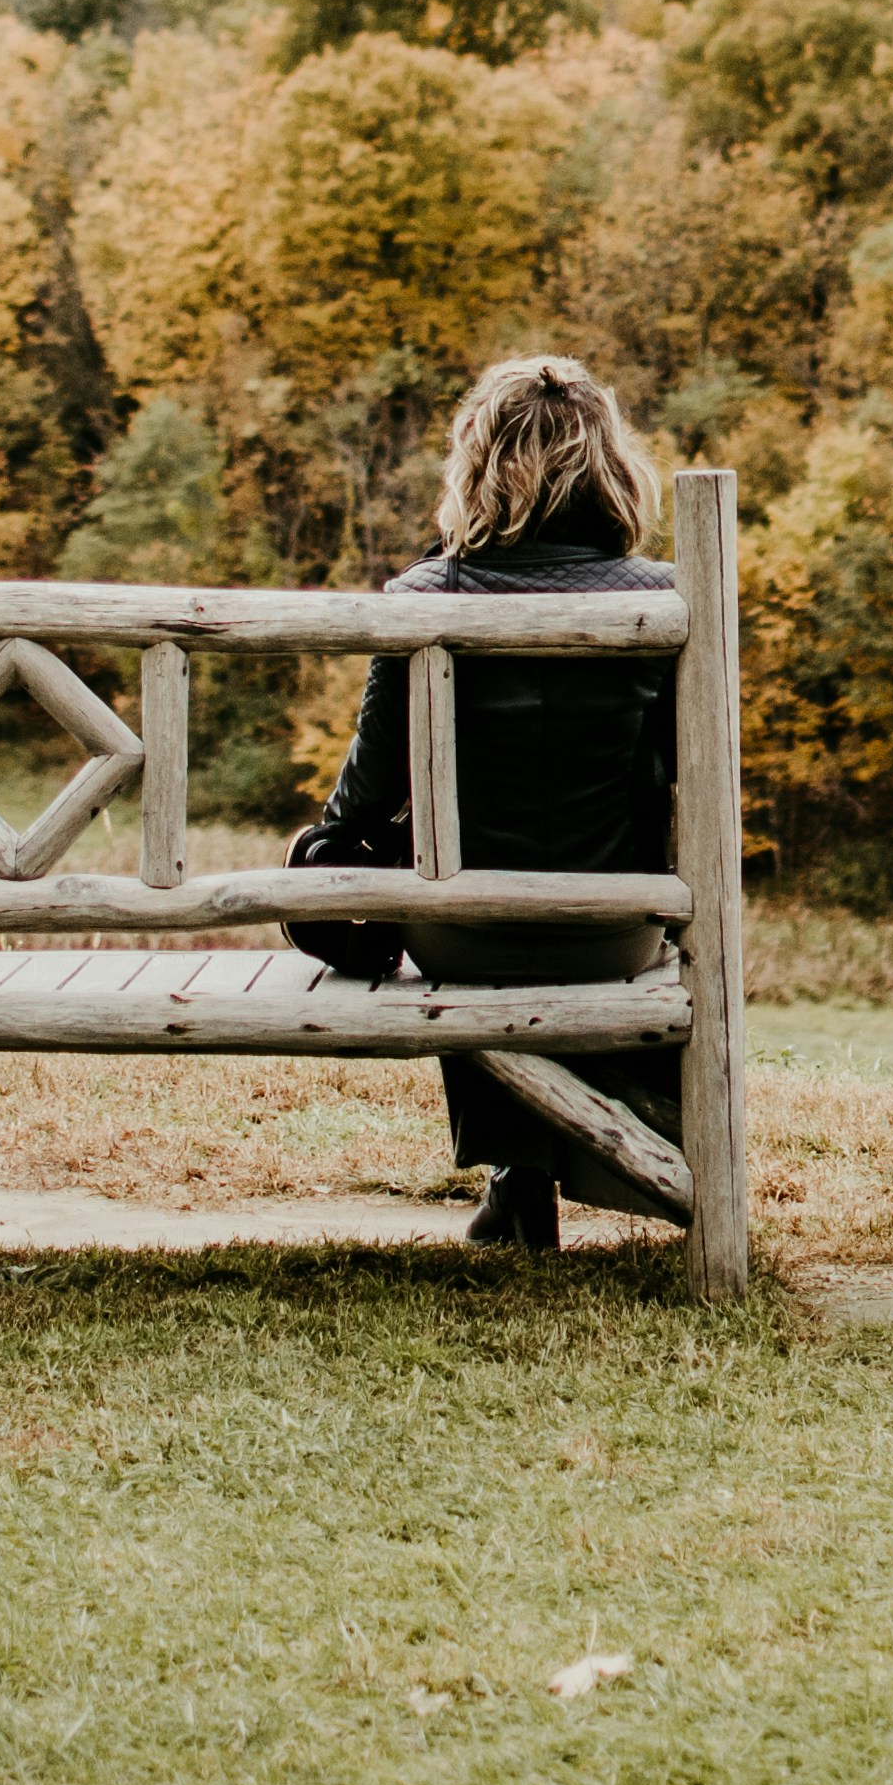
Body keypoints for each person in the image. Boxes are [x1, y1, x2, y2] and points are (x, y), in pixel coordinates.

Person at [294, 355, 684, 1251]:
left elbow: (360, 803)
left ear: (477, 464)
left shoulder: (425, 597)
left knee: (424, 884)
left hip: (456, 929)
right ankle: (560, 1171)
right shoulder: (667, 597)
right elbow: (674, 780)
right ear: (611, 469)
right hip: (620, 926)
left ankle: (519, 1181)